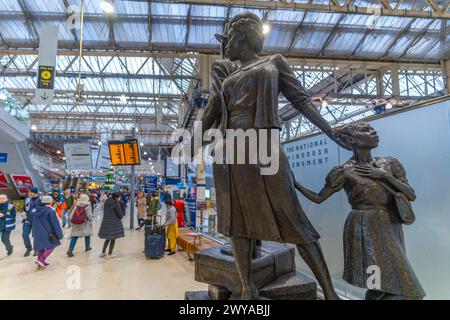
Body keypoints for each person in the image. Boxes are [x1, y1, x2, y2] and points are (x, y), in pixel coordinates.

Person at [203, 12, 350, 299]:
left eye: (229, 37)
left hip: (264, 147)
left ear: (242, 36)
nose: (225, 45)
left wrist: (331, 132)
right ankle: (247, 286)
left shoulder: (274, 62)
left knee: (292, 215)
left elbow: (301, 100)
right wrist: (190, 142)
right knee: (236, 220)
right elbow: (212, 111)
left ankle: (330, 293)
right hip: (230, 151)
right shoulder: (225, 72)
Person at [295, 121, 426, 300]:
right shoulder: (343, 171)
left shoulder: (389, 163)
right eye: (366, 130)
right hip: (363, 224)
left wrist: (385, 176)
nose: (374, 132)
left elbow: (411, 194)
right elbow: (319, 198)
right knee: (377, 277)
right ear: (351, 139)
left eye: (373, 129)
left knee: (396, 278)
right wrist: (293, 183)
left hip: (389, 222)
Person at [32, 196, 64, 269]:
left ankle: (40, 263)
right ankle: (41, 259)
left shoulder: (35, 210)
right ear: (50, 202)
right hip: (48, 232)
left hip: (37, 232)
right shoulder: (50, 210)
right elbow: (55, 223)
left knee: (41, 247)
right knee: (53, 245)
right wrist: (59, 234)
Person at [98, 192, 124, 259]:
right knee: (113, 239)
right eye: (119, 197)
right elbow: (120, 215)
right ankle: (110, 254)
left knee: (107, 238)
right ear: (116, 197)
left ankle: (103, 253)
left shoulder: (106, 202)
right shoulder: (116, 204)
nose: (119, 198)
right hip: (114, 223)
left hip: (106, 223)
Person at [22, 187, 40, 256]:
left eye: (31, 192)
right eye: (29, 192)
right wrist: (23, 212)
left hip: (37, 220)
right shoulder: (27, 199)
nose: (29, 193)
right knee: (24, 234)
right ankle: (28, 248)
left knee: (35, 235)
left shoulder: (41, 200)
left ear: (35, 192)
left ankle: (36, 249)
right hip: (27, 219)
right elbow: (24, 208)